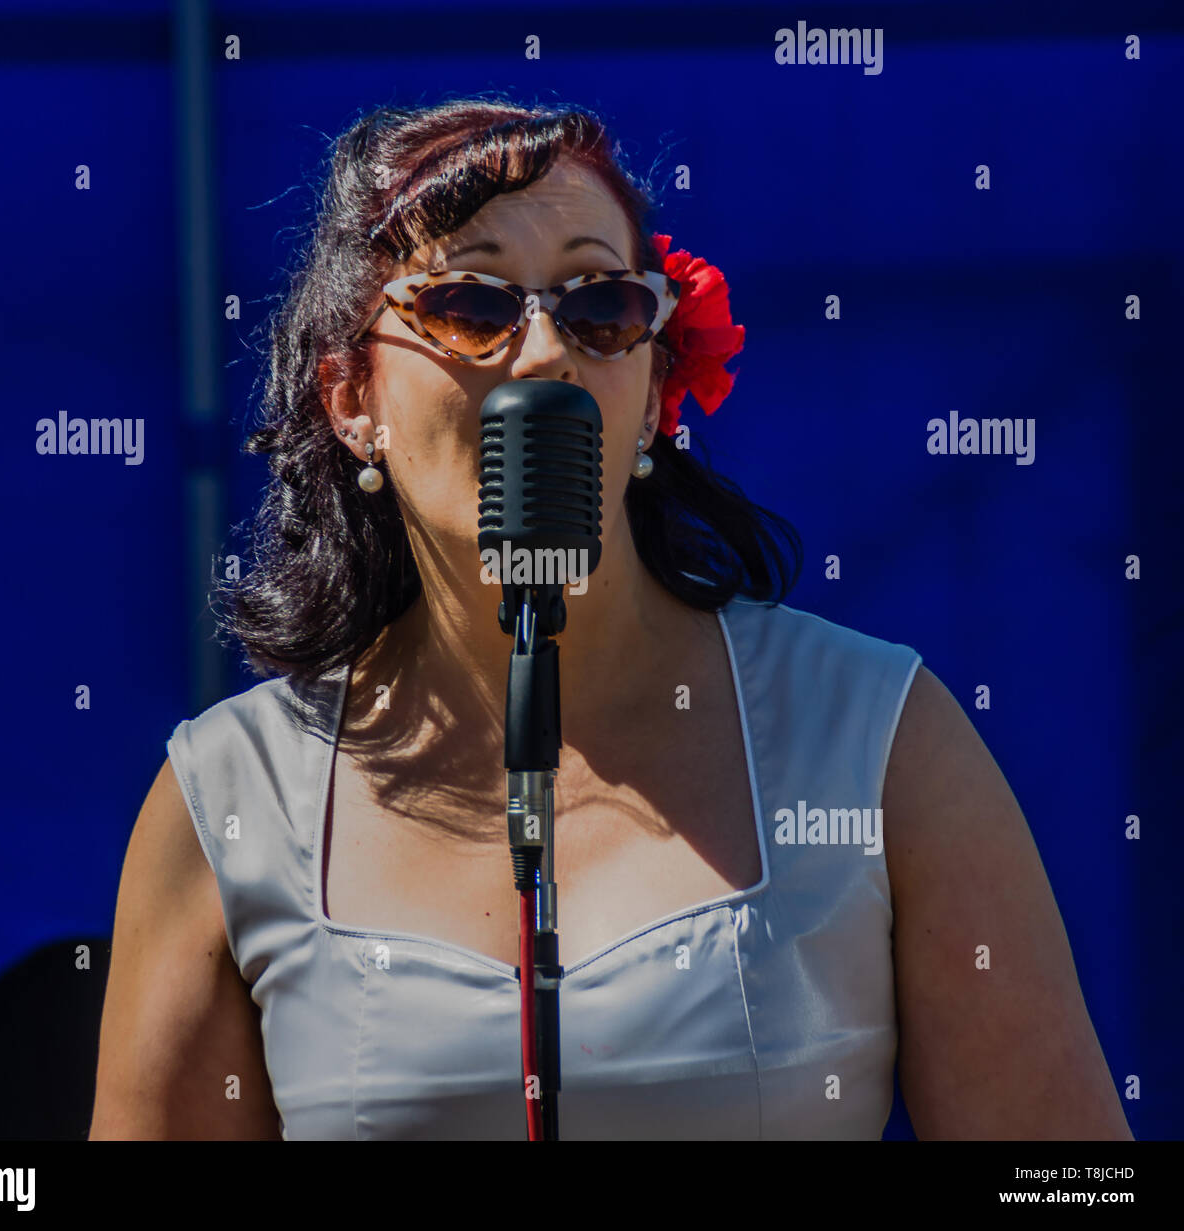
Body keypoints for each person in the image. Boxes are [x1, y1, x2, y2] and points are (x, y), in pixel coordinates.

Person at [89, 98, 1132, 1141]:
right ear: (352, 395)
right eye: (469, 303)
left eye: (599, 308)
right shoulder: (229, 796)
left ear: (652, 381)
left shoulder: (880, 738)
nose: (544, 355)